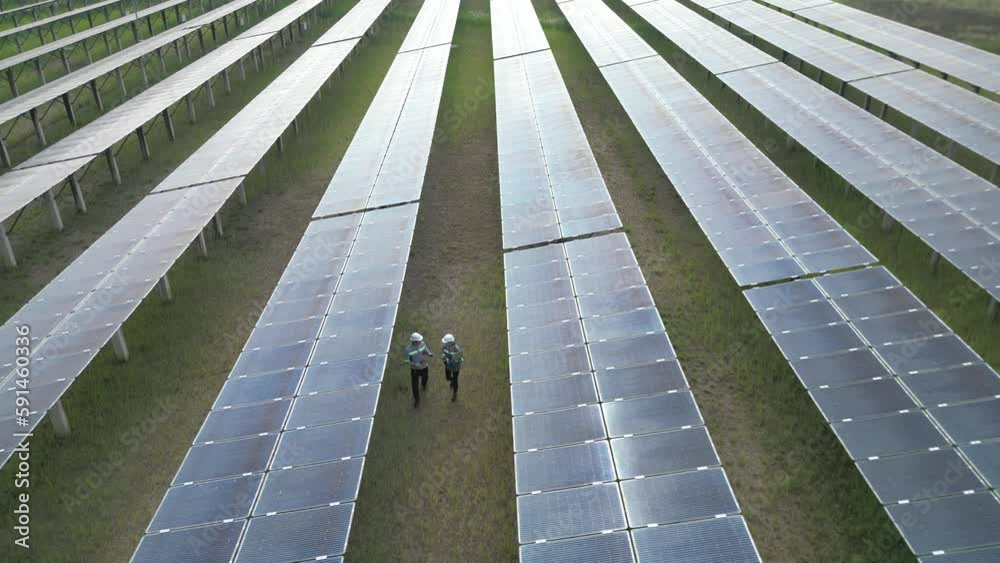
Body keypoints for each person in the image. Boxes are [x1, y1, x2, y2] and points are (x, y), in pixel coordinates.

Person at [404, 332, 433, 408]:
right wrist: (416, 364)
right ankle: (417, 400)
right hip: (415, 370)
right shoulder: (408, 350)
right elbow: (407, 361)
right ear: (414, 341)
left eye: (420, 340)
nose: (420, 341)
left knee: (425, 378)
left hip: (424, 366)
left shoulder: (422, 343)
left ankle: (423, 385)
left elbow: (425, 350)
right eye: (418, 341)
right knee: (414, 386)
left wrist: (429, 353)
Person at [441, 334, 464, 402]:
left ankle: (455, 394)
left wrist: (454, 360)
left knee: (455, 381)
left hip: (455, 367)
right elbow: (444, 354)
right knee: (448, 378)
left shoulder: (456, 349)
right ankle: (452, 381)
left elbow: (461, 359)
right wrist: (444, 358)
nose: (444, 344)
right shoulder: (444, 347)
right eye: (444, 342)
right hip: (447, 365)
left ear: (450, 342)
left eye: (445, 342)